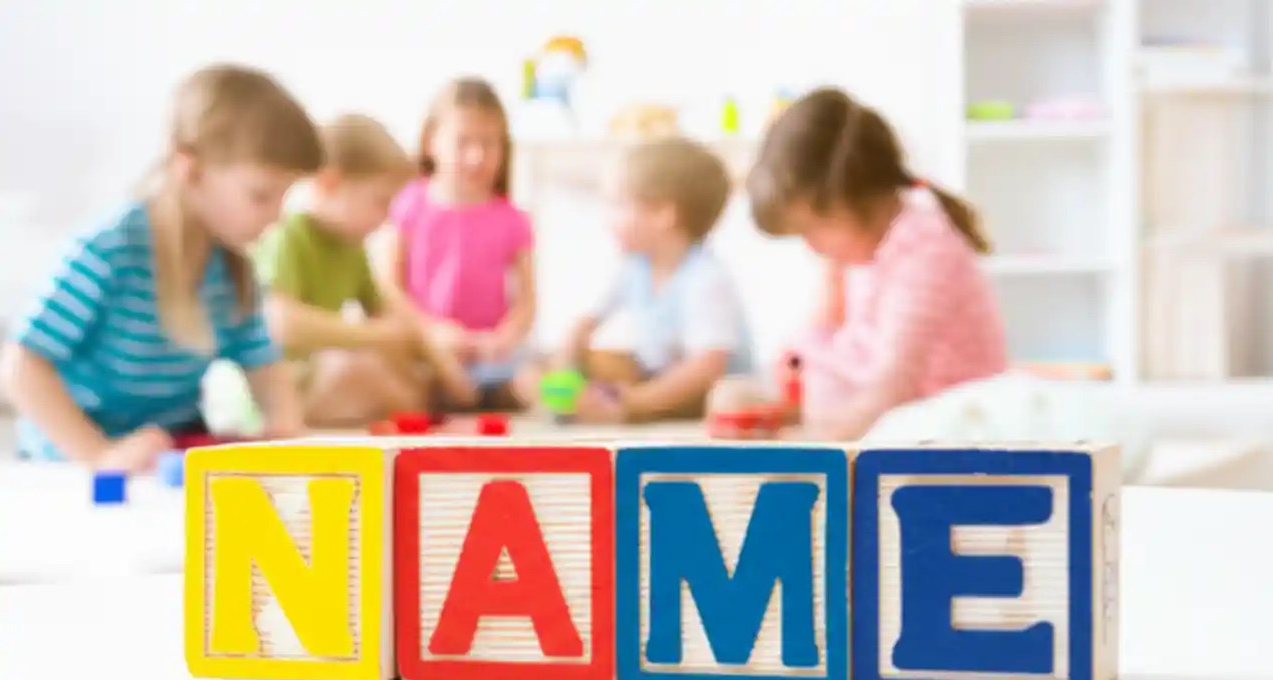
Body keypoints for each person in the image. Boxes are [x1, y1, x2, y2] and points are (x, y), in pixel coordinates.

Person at [0, 64, 321, 470]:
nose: (277, 217)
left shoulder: (233, 268)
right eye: (261, 196)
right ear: (190, 170)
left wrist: (285, 429)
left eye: (284, 198)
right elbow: (21, 366)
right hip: (74, 458)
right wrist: (100, 455)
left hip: (167, 449)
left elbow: (263, 366)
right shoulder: (111, 247)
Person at [746, 87, 1007, 440]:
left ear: (860, 199)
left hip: (945, 445)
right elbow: (822, 343)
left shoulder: (925, 250)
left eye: (813, 228)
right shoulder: (862, 255)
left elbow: (888, 394)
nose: (811, 246)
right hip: (878, 431)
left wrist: (807, 445)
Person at [258, 114, 473, 426]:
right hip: (275, 391)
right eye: (380, 202)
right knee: (357, 368)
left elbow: (390, 312)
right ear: (330, 183)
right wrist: (376, 337)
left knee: (389, 369)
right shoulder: (288, 235)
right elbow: (282, 324)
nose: (386, 218)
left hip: (320, 381)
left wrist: (437, 359)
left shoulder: (352, 248)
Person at [519, 136, 753, 423]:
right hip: (653, 372)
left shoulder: (706, 278)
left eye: (618, 205)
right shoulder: (634, 266)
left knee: (727, 397)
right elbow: (584, 325)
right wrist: (566, 367)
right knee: (533, 372)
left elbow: (707, 367)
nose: (608, 218)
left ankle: (607, 407)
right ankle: (586, 404)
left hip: (702, 389)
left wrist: (635, 401)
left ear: (662, 214)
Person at [381, 77, 535, 409]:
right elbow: (388, 287)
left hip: (492, 357)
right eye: (463, 142)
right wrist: (431, 332)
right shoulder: (409, 203)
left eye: (490, 144)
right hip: (428, 353)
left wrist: (504, 337)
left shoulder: (513, 219)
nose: (477, 156)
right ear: (430, 142)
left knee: (533, 380)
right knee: (392, 380)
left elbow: (527, 302)